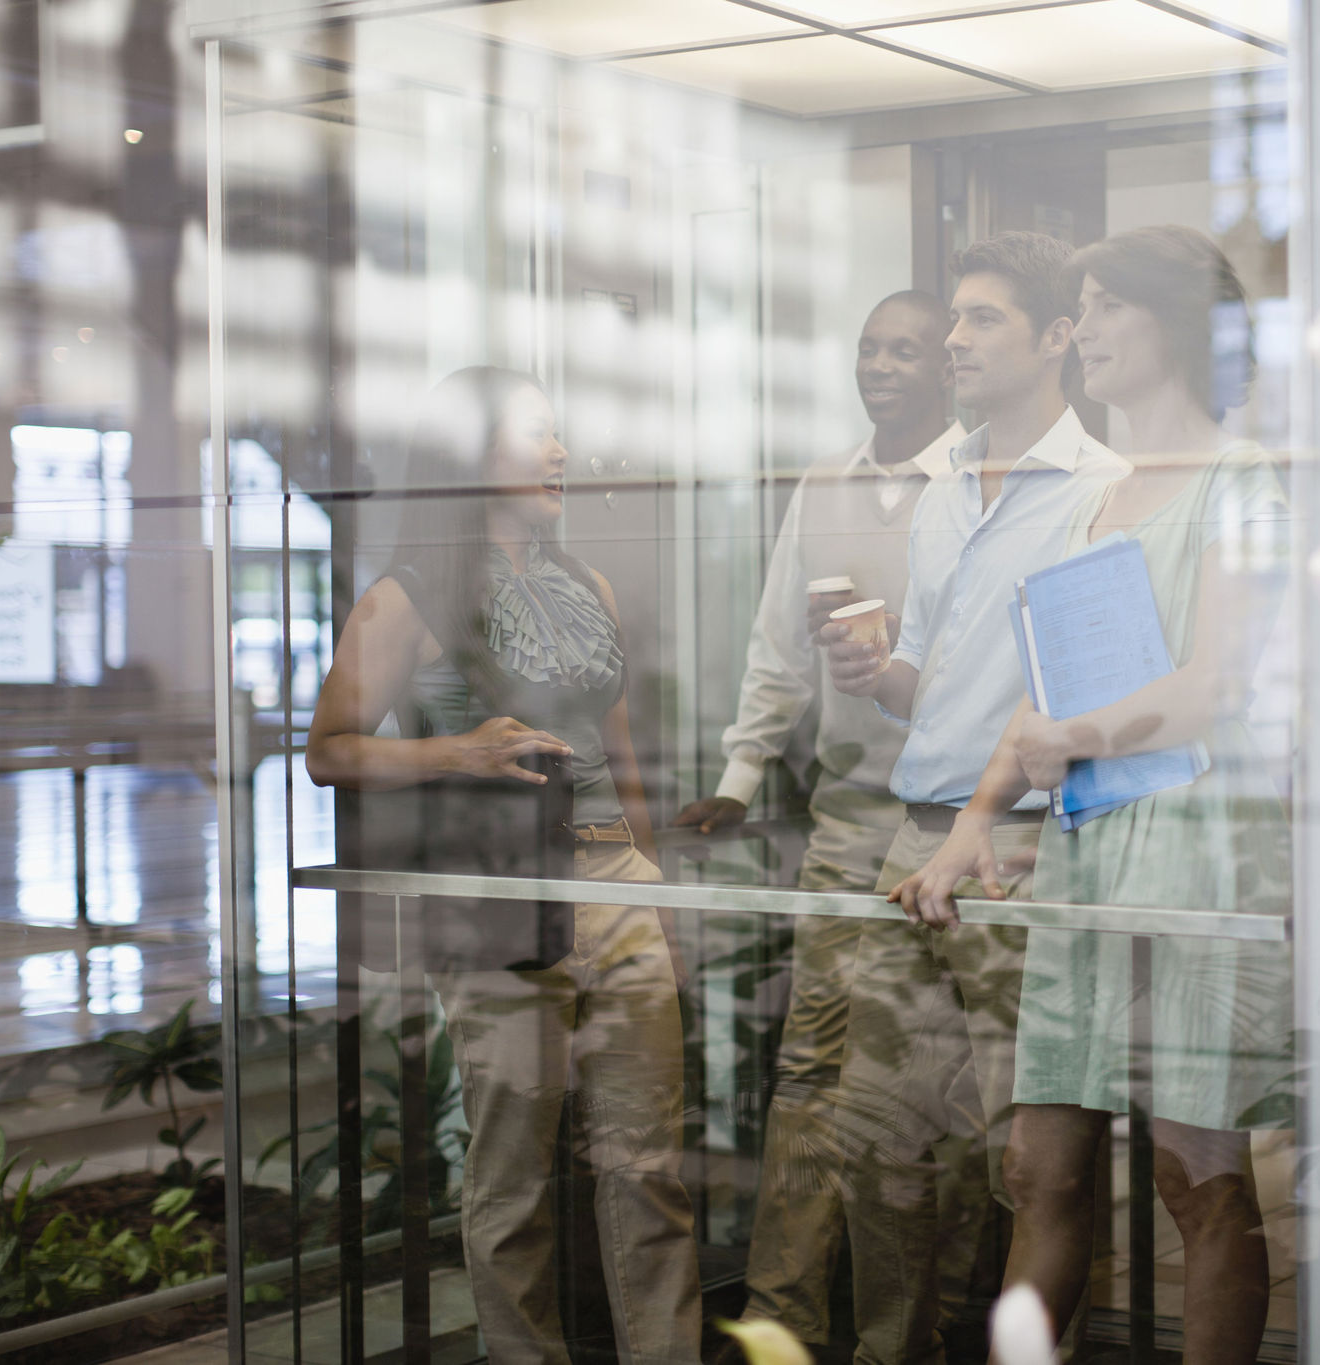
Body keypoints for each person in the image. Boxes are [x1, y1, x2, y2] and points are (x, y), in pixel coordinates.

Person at [890, 225, 1293, 1365]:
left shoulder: (1242, 480)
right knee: (1039, 1169)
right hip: (1088, 851)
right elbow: (1042, 697)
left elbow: (1215, 682)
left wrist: (1079, 737)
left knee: (1198, 1177)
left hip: (1196, 849)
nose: (1089, 330)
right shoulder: (1089, 501)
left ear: (1176, 323)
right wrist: (971, 828)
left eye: (1109, 305)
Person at [306, 366, 701, 1365]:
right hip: (499, 899)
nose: (560, 451)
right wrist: (459, 752)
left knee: (649, 1167)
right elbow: (329, 750)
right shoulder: (406, 595)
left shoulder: (589, 585)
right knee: (514, 1177)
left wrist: (658, 895)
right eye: (536, 434)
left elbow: (622, 754)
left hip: (614, 881)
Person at [823, 232, 1130, 1365]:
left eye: (981, 319)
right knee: (876, 1143)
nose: (952, 339)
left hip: (1028, 850)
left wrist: (985, 825)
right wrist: (875, 674)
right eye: (954, 317)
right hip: (916, 840)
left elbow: (1081, 694)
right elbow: (930, 679)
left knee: (1032, 1168)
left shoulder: (1105, 489)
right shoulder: (943, 483)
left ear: (1058, 338)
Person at [670, 291, 971, 1352]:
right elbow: (777, 650)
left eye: (906, 350)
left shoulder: (976, 480)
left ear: (947, 367)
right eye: (869, 348)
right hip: (846, 826)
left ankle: (908, 1337)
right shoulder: (823, 484)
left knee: (921, 1097)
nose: (880, 366)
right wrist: (741, 777)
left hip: (954, 832)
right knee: (810, 1070)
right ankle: (779, 1322)